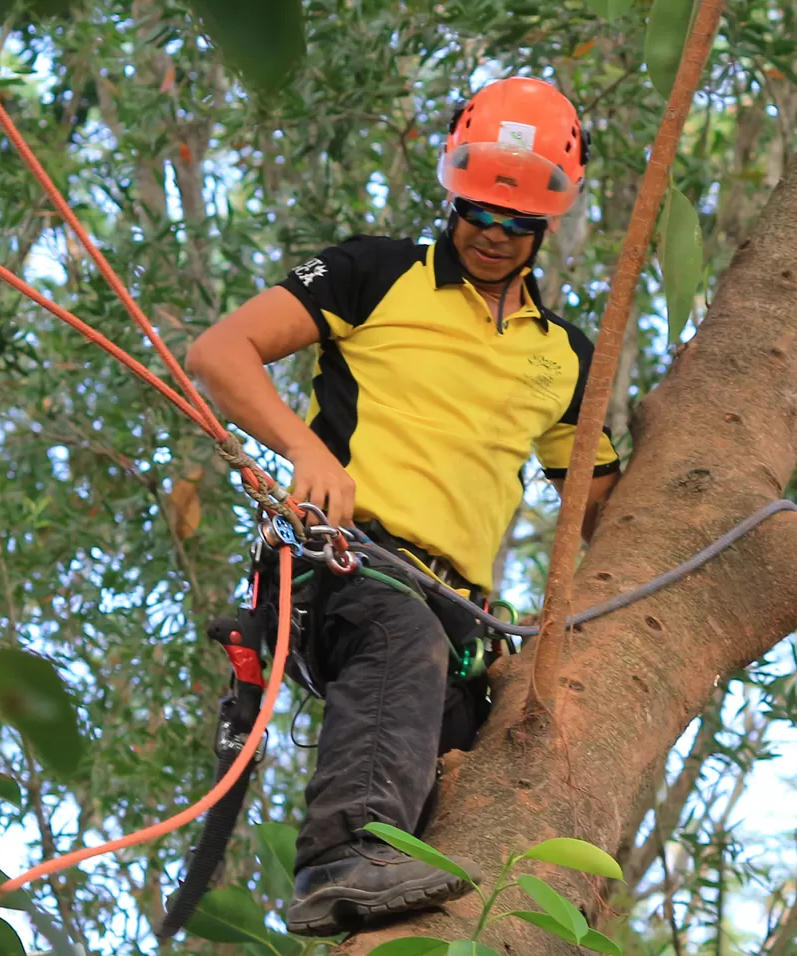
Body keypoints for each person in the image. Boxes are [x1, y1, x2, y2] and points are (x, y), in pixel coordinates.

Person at [186, 76, 621, 935]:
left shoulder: (567, 358)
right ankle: (340, 860)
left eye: (517, 223)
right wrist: (307, 452)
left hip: (458, 621)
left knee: (486, 764)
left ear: (550, 223)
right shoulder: (374, 273)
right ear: (452, 193)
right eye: (478, 214)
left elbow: (602, 502)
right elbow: (219, 351)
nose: (493, 235)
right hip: (343, 566)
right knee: (398, 638)